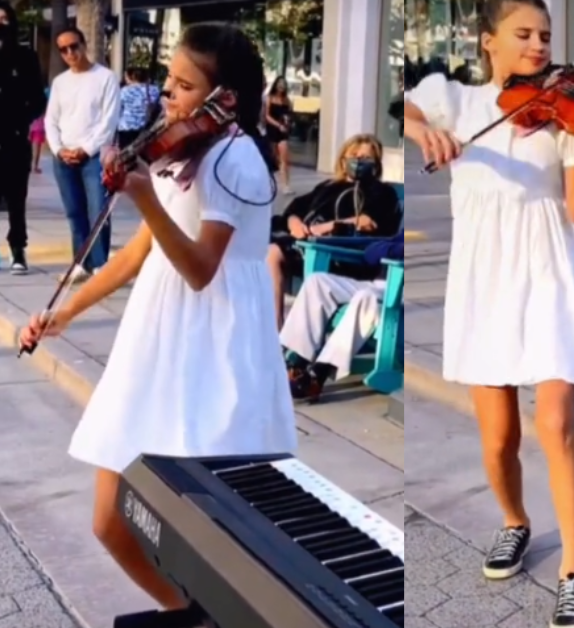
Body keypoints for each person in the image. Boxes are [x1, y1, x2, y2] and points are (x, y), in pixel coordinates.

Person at [18, 23, 294, 611]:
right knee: (108, 519)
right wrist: (65, 311)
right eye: (169, 78)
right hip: (156, 344)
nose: (167, 95)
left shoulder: (235, 158)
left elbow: (199, 269)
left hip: (214, 346)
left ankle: (213, 612)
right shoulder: (184, 150)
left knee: (210, 528)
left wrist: (143, 196)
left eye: (183, 84)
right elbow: (136, 255)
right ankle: (187, 611)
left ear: (225, 99)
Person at [403, 0, 574, 625]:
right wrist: (422, 130)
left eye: (545, 36)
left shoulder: (568, 117)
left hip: (552, 273)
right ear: (490, 43)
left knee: (556, 425)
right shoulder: (456, 100)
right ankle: (514, 520)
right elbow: (405, 105)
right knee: (497, 439)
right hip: (485, 279)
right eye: (524, 35)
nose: (539, 47)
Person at [266, 133, 400, 327]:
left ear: (376, 163)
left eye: (366, 157)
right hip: (307, 246)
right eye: (354, 155)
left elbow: (368, 220)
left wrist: (329, 226)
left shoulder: (380, 191)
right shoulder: (328, 186)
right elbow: (294, 209)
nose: (358, 161)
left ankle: (276, 329)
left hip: (342, 255)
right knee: (262, 249)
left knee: (272, 253)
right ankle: (271, 328)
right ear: (343, 158)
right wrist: (294, 223)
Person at [282, 233, 404, 402]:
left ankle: (319, 374)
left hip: (399, 292)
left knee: (366, 298)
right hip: (377, 285)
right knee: (316, 282)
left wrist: (389, 251)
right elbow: (372, 253)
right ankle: (297, 362)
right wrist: (392, 249)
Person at [45, 26, 120, 283]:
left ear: (84, 44)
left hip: (94, 156)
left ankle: (100, 264)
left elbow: (109, 121)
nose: (70, 53)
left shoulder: (106, 77)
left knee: (98, 210)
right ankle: (81, 262)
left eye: (74, 46)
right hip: (64, 157)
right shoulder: (60, 82)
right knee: (74, 211)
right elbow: (50, 121)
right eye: (63, 49)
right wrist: (58, 149)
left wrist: (85, 149)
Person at [0, 1, 46, 275]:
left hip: (15, 139)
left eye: (4, 19)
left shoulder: (26, 57)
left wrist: (19, 120)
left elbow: (38, 99)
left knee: (17, 199)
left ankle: (18, 249)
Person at [116, 67, 161, 149]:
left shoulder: (124, 91)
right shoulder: (155, 90)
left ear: (130, 77)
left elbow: (118, 110)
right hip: (146, 128)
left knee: (125, 155)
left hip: (126, 128)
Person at [264, 76, 293, 195]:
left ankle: (285, 185)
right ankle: (269, 183)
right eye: (280, 84)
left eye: (284, 84)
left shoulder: (287, 100)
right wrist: (278, 125)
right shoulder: (269, 98)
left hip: (282, 132)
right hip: (272, 129)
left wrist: (288, 124)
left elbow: (290, 114)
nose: (282, 86)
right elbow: (266, 116)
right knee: (272, 158)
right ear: (275, 85)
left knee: (284, 159)